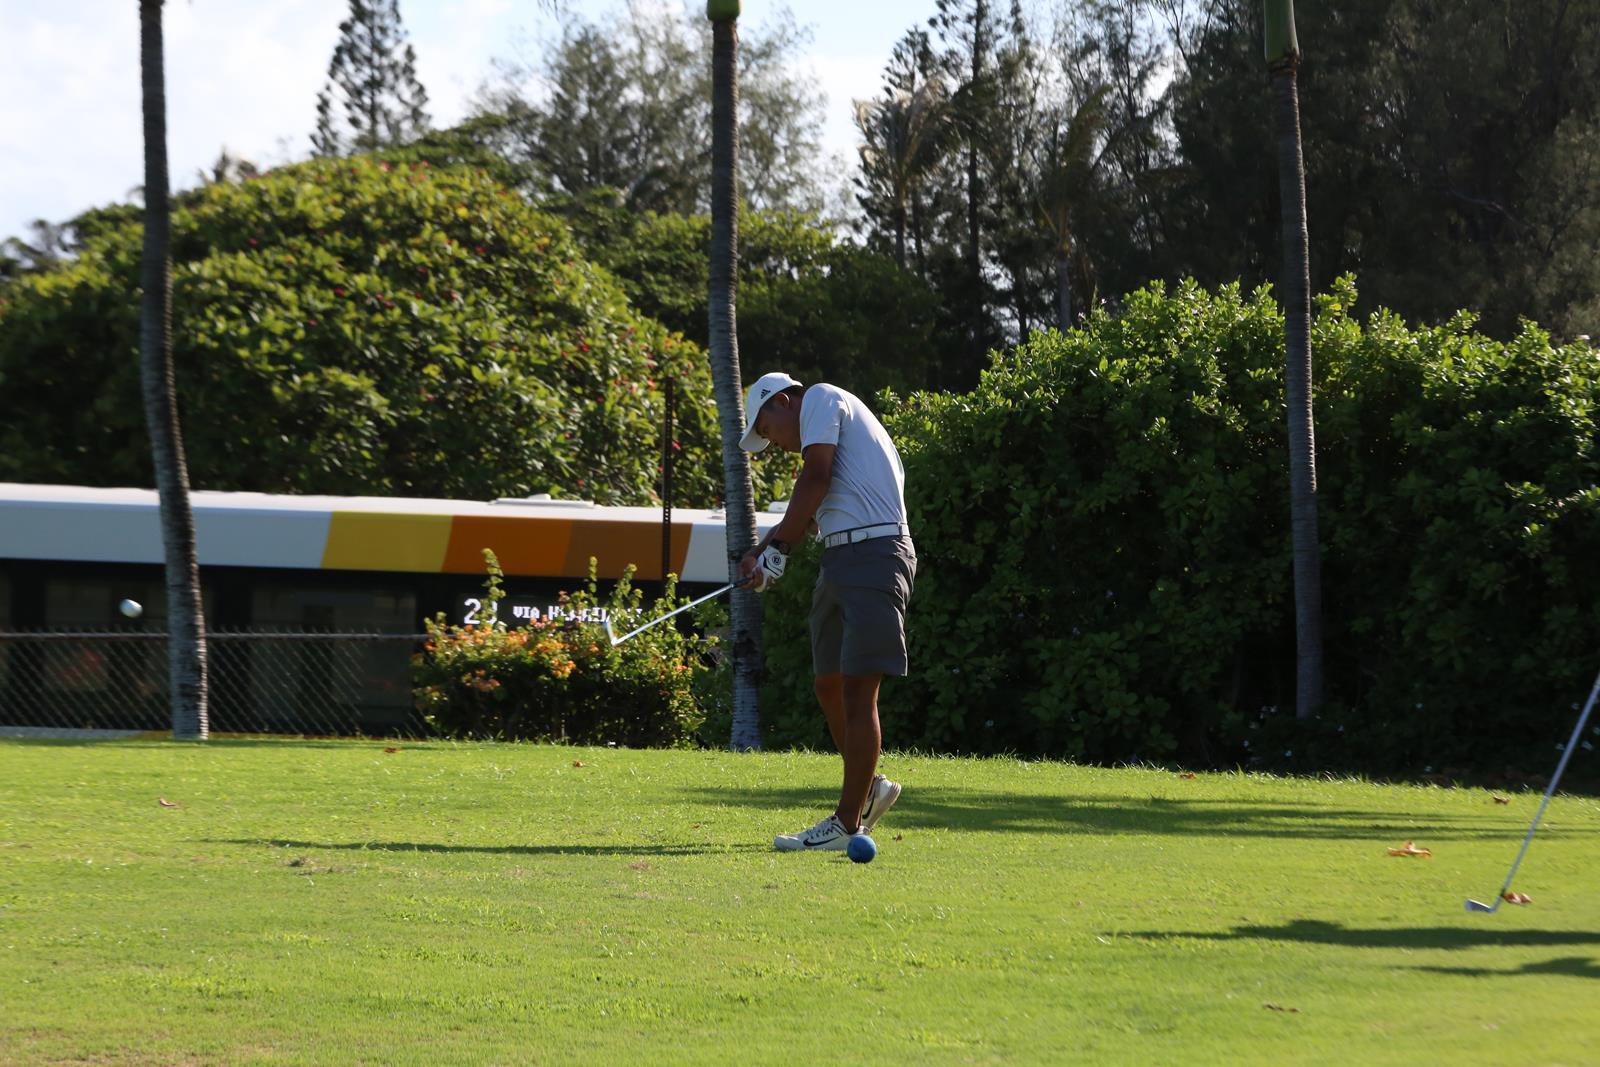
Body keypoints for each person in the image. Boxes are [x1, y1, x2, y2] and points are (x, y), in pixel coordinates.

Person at [736, 371, 917, 852]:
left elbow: (815, 479)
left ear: (784, 401)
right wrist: (764, 549)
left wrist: (781, 551)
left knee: (859, 691)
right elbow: (813, 502)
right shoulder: (824, 433)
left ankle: (846, 823)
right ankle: (870, 786)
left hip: (876, 554)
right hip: (840, 558)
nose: (772, 441)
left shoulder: (819, 398)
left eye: (768, 429)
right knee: (829, 683)